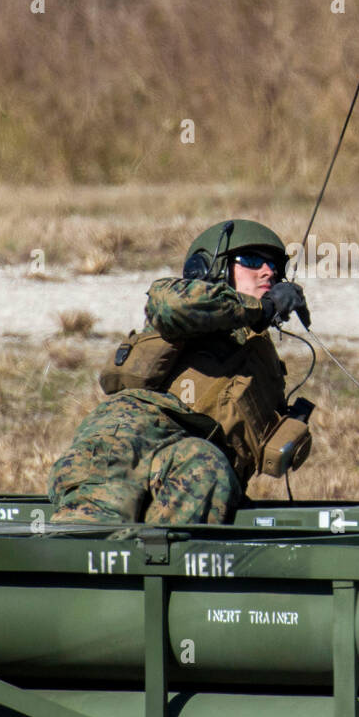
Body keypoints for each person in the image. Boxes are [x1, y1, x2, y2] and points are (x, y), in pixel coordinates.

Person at [48, 219, 311, 526]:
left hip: (198, 461)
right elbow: (169, 302)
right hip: (137, 434)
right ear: (212, 268)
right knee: (92, 542)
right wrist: (260, 309)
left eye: (275, 265)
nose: (268, 272)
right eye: (252, 261)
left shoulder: (267, 369)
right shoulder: (188, 311)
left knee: (202, 484)